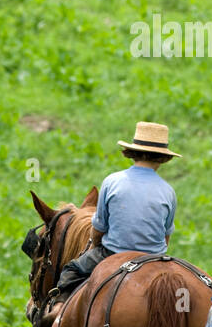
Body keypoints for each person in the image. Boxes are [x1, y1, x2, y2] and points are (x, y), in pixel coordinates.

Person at [46, 121, 180, 314]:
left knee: (72, 270)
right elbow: (165, 239)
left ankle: (58, 309)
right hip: (153, 259)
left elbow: (99, 227)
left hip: (113, 253)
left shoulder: (112, 181)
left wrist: (94, 245)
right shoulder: (168, 191)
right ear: (163, 159)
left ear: (131, 152)